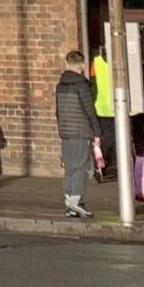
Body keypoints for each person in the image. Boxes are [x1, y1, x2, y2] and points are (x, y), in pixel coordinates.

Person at [54, 49, 97, 219]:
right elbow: (89, 110)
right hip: (81, 131)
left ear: (66, 64)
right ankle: (76, 202)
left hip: (65, 132)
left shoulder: (60, 85)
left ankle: (69, 202)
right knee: (83, 166)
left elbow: (58, 112)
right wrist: (97, 131)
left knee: (70, 168)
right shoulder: (81, 85)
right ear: (83, 65)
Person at [89, 42, 116, 180]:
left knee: (103, 140)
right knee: (115, 139)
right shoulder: (119, 62)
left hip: (100, 106)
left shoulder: (95, 62)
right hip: (116, 107)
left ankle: (100, 166)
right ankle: (109, 165)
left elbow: (92, 82)